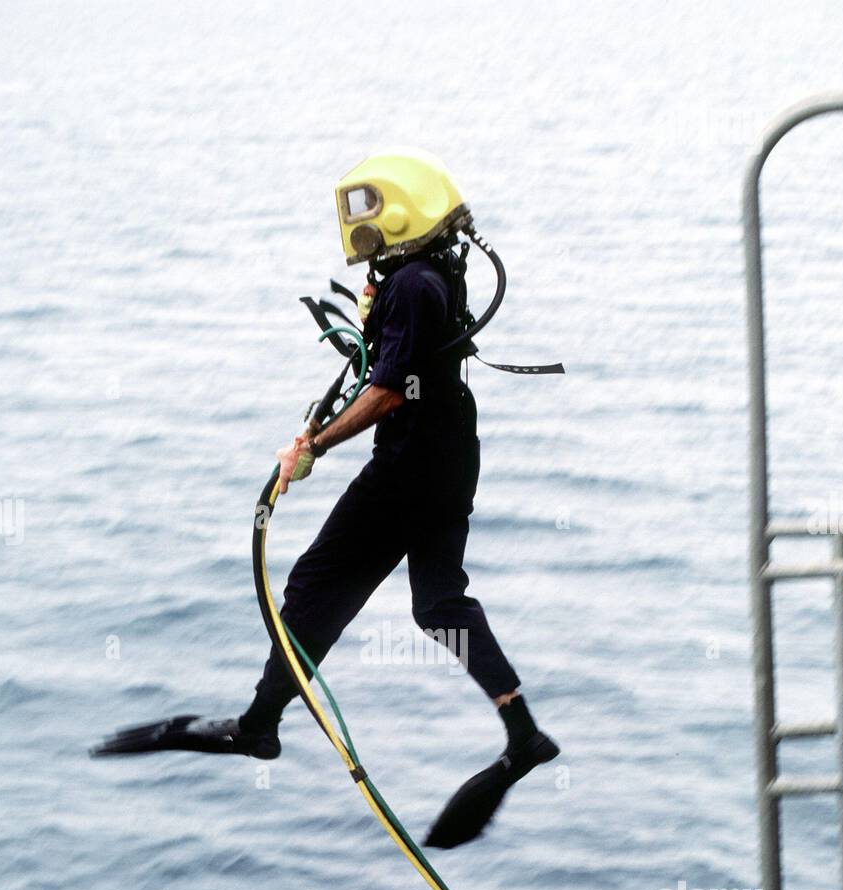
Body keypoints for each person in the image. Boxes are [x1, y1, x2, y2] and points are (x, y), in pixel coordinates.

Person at [94, 151, 558, 843]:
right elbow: (399, 367)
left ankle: (257, 728)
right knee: (439, 605)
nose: (356, 229)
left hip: (409, 465)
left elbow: (388, 389)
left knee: (315, 587)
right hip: (453, 452)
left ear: (398, 211)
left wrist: (313, 447)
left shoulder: (410, 284)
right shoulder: (434, 271)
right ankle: (523, 734)